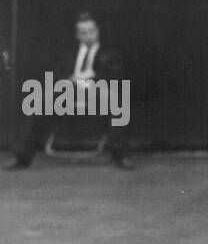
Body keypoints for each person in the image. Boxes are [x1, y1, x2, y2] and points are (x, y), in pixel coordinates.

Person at [5, 12, 134, 170]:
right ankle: (22, 157)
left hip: (98, 91)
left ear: (98, 30)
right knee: (40, 101)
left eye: (92, 30)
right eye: (84, 32)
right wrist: (72, 81)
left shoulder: (111, 52)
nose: (89, 35)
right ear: (78, 35)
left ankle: (121, 155)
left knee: (117, 101)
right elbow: (59, 75)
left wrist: (84, 80)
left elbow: (114, 77)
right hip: (68, 91)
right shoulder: (68, 54)